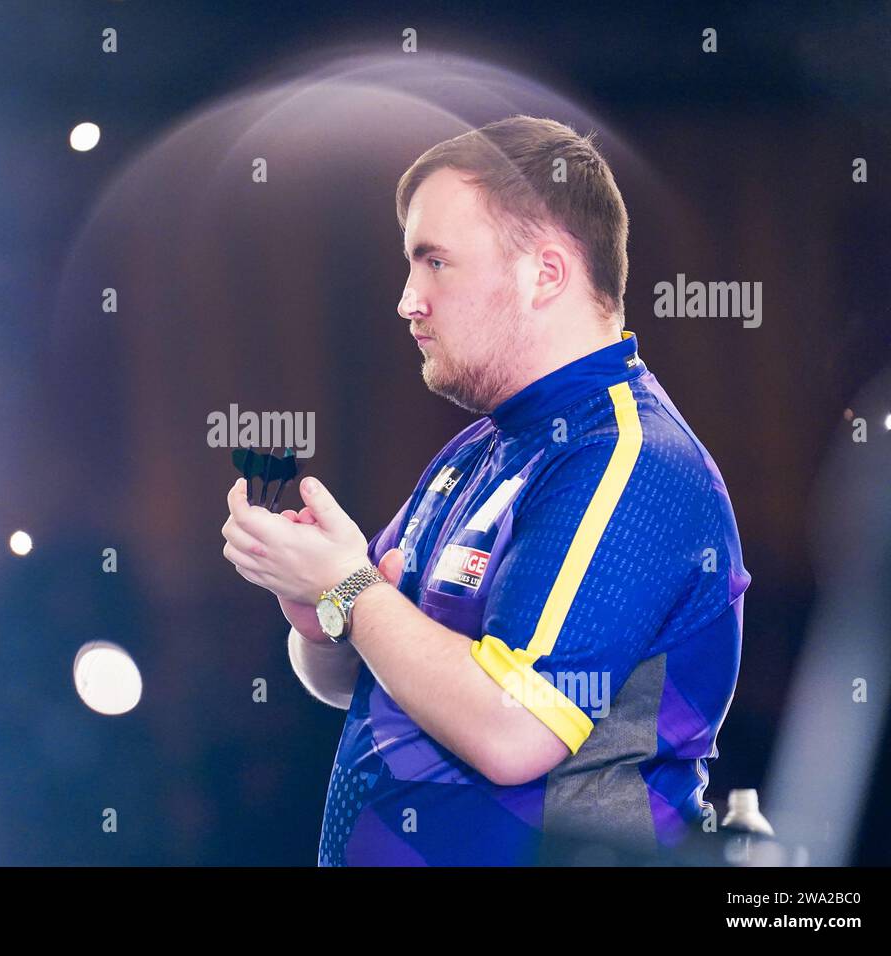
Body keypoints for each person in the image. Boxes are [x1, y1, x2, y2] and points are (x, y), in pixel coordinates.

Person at [221, 115, 750, 865]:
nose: (408, 300)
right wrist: (323, 607)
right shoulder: (477, 452)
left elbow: (514, 731)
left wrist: (353, 588)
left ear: (546, 273)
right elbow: (354, 677)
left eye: (435, 261)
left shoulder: (630, 461)